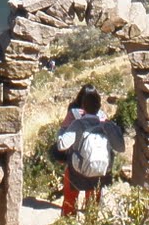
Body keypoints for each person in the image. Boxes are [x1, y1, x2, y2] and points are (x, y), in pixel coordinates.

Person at [52, 86, 124, 217]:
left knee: (70, 201)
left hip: (76, 170)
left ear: (83, 105)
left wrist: (63, 129)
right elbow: (120, 147)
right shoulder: (105, 122)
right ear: (100, 105)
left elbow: (62, 145)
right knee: (93, 206)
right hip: (100, 169)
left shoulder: (76, 121)